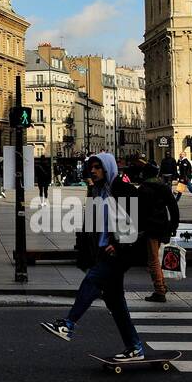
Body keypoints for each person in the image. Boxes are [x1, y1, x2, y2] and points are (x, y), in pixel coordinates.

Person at [41, 153, 146, 362]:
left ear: (108, 168)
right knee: (115, 302)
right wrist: (85, 253)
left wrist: (117, 246)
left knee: (92, 281)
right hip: (102, 252)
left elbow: (138, 221)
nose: (94, 171)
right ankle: (135, 347)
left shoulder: (122, 189)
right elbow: (92, 226)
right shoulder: (98, 191)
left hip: (117, 255)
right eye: (92, 167)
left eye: (98, 167)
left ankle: (68, 324)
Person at [130, 158, 178, 301]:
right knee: (156, 258)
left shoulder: (143, 189)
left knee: (153, 260)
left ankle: (159, 290)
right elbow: (173, 207)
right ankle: (162, 284)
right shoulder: (163, 187)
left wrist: (137, 228)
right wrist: (174, 225)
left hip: (150, 227)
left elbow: (138, 212)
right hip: (163, 225)